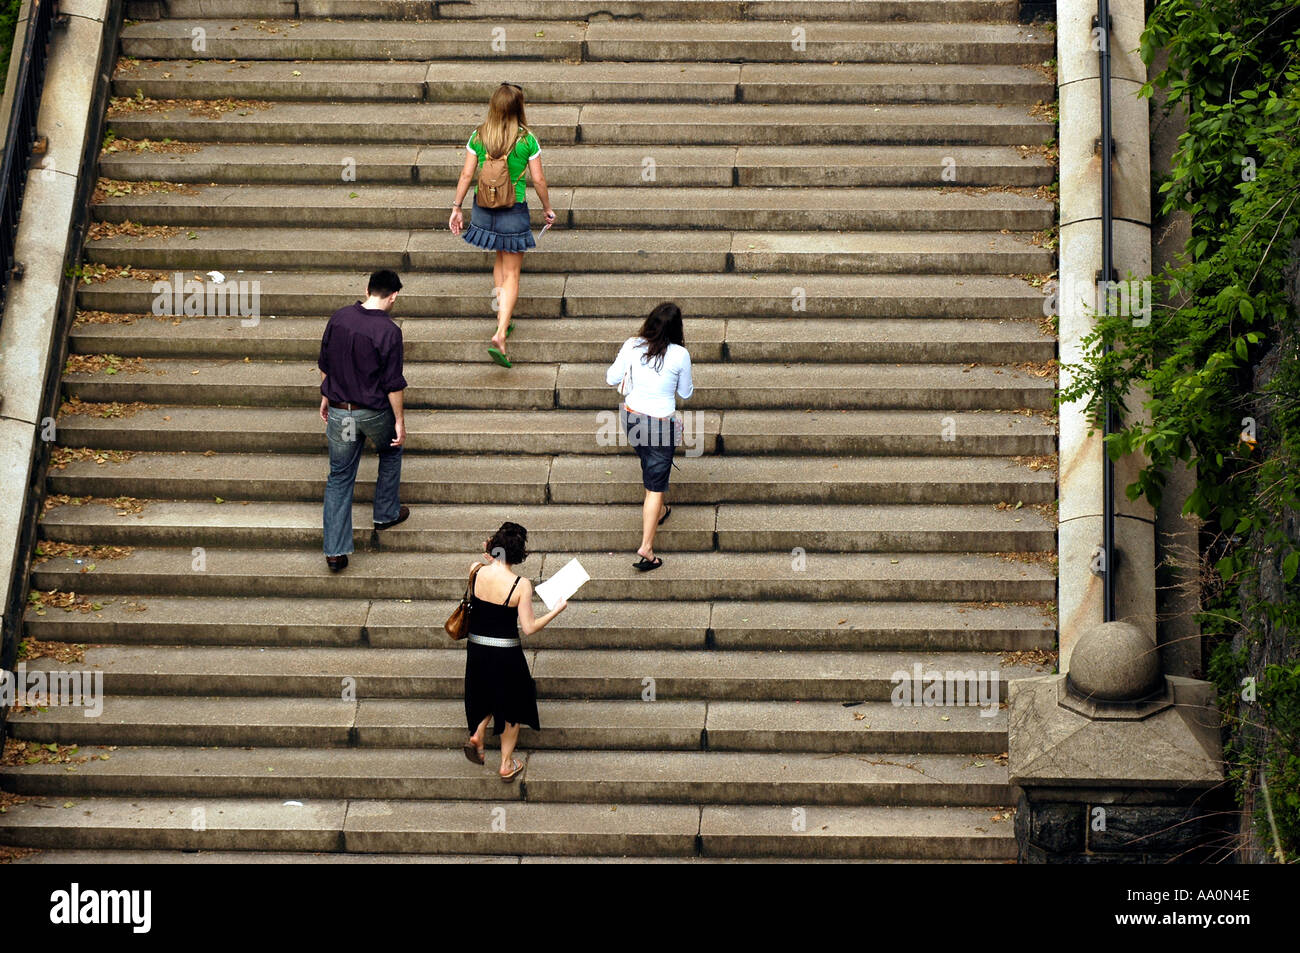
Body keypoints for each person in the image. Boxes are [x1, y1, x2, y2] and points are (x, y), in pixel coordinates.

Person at [448, 82, 556, 368]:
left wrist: (457, 208)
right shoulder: (526, 140)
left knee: (499, 261)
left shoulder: (479, 135)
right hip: (513, 209)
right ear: (518, 107)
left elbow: (466, 174)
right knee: (513, 273)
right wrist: (547, 208)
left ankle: (502, 321)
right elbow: (540, 180)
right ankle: (500, 334)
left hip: (483, 207)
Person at [318, 269, 410, 572]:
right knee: (391, 448)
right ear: (394, 295)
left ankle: (334, 551)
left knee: (339, 478)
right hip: (371, 412)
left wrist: (326, 396)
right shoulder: (389, 331)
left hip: (340, 412)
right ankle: (385, 512)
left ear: (367, 288)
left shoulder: (339, 317)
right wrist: (399, 421)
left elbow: (325, 364)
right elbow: (393, 384)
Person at [463, 521, 567, 781]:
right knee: (511, 706)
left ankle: (478, 733)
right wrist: (556, 610)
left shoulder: (475, 570)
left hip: (476, 648)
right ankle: (506, 764)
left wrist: (490, 548)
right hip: (505, 653)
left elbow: (486, 557)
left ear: (493, 546)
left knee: (485, 692)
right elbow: (529, 628)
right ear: (520, 554)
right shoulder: (520, 585)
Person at [605, 302, 694, 572]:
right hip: (659, 424)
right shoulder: (680, 355)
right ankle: (647, 546)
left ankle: (660, 511)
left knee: (650, 466)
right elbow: (686, 393)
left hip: (631, 418)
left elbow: (611, 378)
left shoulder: (632, 345)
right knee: (656, 486)